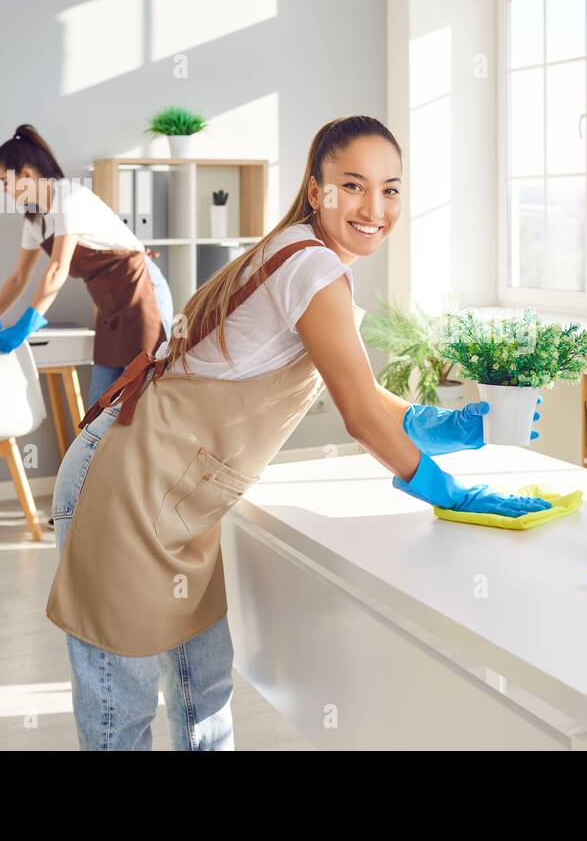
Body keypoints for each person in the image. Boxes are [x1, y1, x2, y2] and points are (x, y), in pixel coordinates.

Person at [45, 115, 550, 750]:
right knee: (123, 721)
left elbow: (365, 393)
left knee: (204, 700)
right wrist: (447, 491)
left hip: (174, 498)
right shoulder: (309, 268)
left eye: (391, 188)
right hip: (121, 492)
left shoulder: (307, 258)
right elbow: (361, 416)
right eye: (354, 185)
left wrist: (455, 427)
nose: (375, 207)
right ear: (317, 191)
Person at [0, 124, 174, 408]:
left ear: (26, 174)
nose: (3, 190)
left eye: (4, 181)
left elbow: (58, 268)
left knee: (141, 404)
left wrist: (26, 324)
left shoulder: (69, 197)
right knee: (100, 409)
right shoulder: (35, 220)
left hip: (142, 295)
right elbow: (18, 277)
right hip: (110, 310)